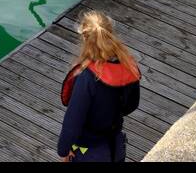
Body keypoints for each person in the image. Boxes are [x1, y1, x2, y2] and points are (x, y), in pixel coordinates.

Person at [57, 11, 141, 163]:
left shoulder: (87, 78)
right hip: (115, 146)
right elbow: (132, 104)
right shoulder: (128, 66)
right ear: (111, 33)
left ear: (84, 38)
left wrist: (64, 150)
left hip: (89, 151)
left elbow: (73, 120)